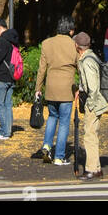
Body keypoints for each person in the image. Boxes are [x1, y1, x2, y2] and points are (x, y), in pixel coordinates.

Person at [35, 16, 78, 165]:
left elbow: (42, 69)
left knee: (52, 117)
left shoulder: (47, 43)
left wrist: (38, 88)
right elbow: (79, 66)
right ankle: (59, 156)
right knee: (64, 122)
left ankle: (47, 145)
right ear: (71, 31)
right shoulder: (74, 45)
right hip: (67, 88)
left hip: (51, 87)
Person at [75, 30, 108, 180]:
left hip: (93, 103)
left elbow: (93, 86)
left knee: (89, 135)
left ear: (77, 46)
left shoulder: (87, 61)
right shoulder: (92, 56)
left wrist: (90, 104)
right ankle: (96, 167)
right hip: (97, 101)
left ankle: (91, 169)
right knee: (92, 135)